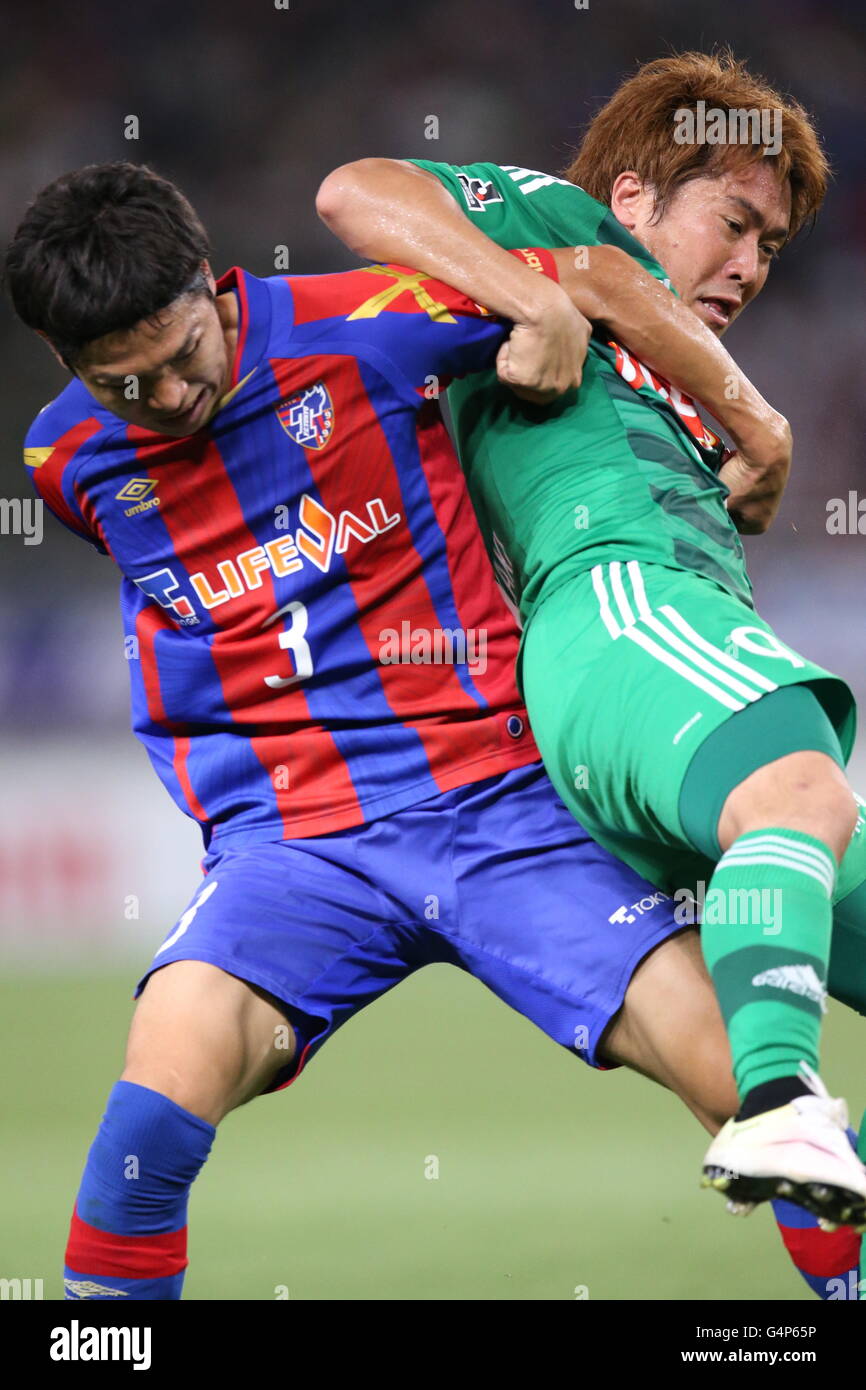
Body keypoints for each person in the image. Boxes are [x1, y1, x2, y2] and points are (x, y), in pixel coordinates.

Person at [316, 49, 866, 1250]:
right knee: (796, 781)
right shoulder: (557, 226)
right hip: (617, 612)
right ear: (629, 198)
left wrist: (738, 410)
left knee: (808, 833)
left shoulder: (674, 367)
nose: (747, 266)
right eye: (733, 222)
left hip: (659, 646)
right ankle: (778, 1099)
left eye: (769, 248)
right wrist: (543, 298)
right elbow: (355, 191)